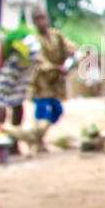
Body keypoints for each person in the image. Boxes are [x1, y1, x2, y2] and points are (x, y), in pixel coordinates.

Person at [28, 8, 82, 152]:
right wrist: (56, 67)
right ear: (34, 22)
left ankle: (36, 137)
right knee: (42, 112)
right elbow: (40, 60)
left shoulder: (56, 35)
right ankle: (37, 142)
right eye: (38, 19)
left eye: (43, 18)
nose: (42, 22)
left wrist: (70, 62)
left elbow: (72, 49)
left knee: (57, 111)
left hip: (56, 82)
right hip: (41, 82)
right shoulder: (33, 39)